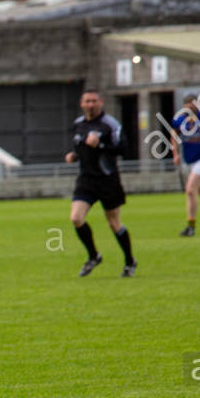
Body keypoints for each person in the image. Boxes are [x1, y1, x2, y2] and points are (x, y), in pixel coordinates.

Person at [66, 88, 135, 277]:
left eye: (94, 101)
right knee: (76, 218)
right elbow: (79, 148)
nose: (90, 105)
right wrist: (74, 156)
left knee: (114, 223)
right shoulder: (78, 124)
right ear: (81, 104)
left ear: (101, 102)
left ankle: (129, 261)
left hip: (107, 179)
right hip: (86, 180)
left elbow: (124, 149)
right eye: (87, 101)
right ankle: (93, 255)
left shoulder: (110, 125)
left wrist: (101, 145)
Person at [171, 93, 200, 236]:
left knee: (190, 190)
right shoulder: (180, 120)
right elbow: (173, 136)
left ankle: (190, 227)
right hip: (190, 160)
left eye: (192, 105)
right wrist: (175, 154)